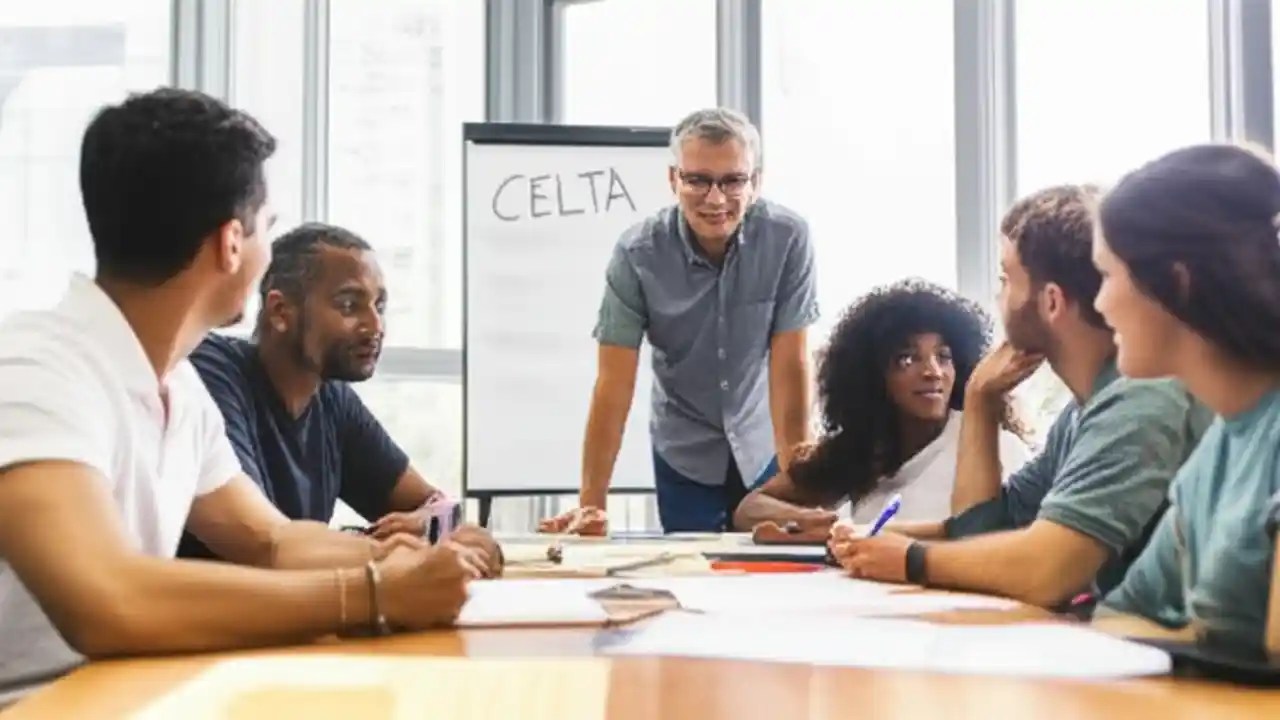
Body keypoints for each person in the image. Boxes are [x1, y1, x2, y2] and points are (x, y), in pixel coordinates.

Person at [0, 89, 493, 707]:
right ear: (231, 243)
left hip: (122, 695)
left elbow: (270, 540)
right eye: (268, 227)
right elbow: (107, 599)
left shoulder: (177, 388)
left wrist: (400, 557)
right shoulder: (35, 370)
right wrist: (373, 593)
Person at [830, 184, 1212, 609]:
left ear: (1051, 301)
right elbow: (983, 532)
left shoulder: (1139, 401)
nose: (999, 297)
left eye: (1006, 279)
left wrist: (911, 559)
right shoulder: (1082, 412)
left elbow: (1048, 573)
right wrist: (979, 400)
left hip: (1172, 647)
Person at [540, 107, 819, 534]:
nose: (716, 199)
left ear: (756, 182)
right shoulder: (637, 254)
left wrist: (799, 486)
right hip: (685, 452)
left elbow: (790, 366)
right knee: (693, 568)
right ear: (674, 180)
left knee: (777, 564)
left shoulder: (788, 238)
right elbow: (614, 384)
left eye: (733, 180)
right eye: (698, 180)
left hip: (763, 444)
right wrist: (592, 505)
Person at [1092, 144, 1280, 658]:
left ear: (1176, 283)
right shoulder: (1218, 448)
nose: (1100, 303)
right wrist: (1192, 640)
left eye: (1107, 275)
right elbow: (1117, 613)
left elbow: (1274, 664)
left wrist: (1188, 639)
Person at [178, 223, 450, 562]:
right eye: (349, 305)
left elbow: (437, 505)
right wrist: (380, 550)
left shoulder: (333, 399)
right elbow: (261, 544)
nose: (375, 326)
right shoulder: (210, 372)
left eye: (379, 306)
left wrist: (427, 523)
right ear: (280, 312)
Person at [733, 278, 1033, 538]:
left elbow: (990, 541)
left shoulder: (992, 444)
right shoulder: (859, 450)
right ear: (872, 375)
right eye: (907, 359)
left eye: (943, 357)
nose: (933, 372)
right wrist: (815, 521)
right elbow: (750, 509)